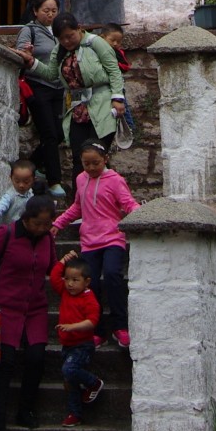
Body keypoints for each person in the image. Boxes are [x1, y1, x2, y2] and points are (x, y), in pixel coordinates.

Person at [0, 195, 57, 431]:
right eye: (39, 224)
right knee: (5, 363)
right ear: (27, 219)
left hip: (35, 308)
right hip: (7, 308)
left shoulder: (47, 239)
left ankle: (26, 410)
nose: (43, 229)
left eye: (47, 224)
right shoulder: (7, 233)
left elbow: (52, 267)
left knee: (36, 358)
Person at [53, 143, 138, 349]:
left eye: (95, 163)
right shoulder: (81, 179)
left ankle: (120, 326)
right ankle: (97, 330)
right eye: (86, 164)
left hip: (112, 238)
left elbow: (128, 203)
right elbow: (77, 207)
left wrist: (141, 218)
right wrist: (58, 224)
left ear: (105, 159)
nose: (91, 168)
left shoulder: (116, 181)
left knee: (112, 276)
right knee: (90, 285)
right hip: (89, 241)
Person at [20, 12, 125, 156]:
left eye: (70, 36)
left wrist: (118, 99)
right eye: (61, 38)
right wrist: (32, 62)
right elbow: (51, 74)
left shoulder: (95, 43)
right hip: (77, 108)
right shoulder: (59, 50)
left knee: (97, 152)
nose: (67, 41)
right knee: (78, 154)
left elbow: (114, 71)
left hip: (102, 104)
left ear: (79, 28)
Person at [14, 0, 68, 196]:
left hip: (58, 88)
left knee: (60, 133)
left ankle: (33, 165)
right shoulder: (29, 30)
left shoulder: (60, 32)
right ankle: (55, 181)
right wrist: (26, 51)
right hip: (38, 86)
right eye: (46, 10)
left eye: (54, 11)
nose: (51, 14)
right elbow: (20, 54)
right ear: (35, 11)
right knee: (49, 134)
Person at [50, 253, 105, 426]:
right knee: (70, 382)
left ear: (86, 282)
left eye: (75, 280)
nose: (70, 284)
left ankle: (93, 383)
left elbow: (92, 322)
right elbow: (53, 277)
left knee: (69, 369)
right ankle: (75, 413)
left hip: (82, 345)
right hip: (67, 345)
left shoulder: (89, 298)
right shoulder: (65, 292)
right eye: (67, 279)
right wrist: (63, 260)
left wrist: (71, 327)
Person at [96, 24, 136, 150]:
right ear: (102, 38)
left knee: (123, 108)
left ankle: (128, 127)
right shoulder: (94, 51)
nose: (115, 44)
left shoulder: (117, 54)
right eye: (112, 40)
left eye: (118, 42)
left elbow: (125, 66)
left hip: (117, 90)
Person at [0, 157, 39, 228]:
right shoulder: (10, 196)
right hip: (8, 231)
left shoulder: (31, 194)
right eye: (17, 181)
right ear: (11, 178)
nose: (21, 185)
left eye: (26, 182)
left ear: (34, 180)